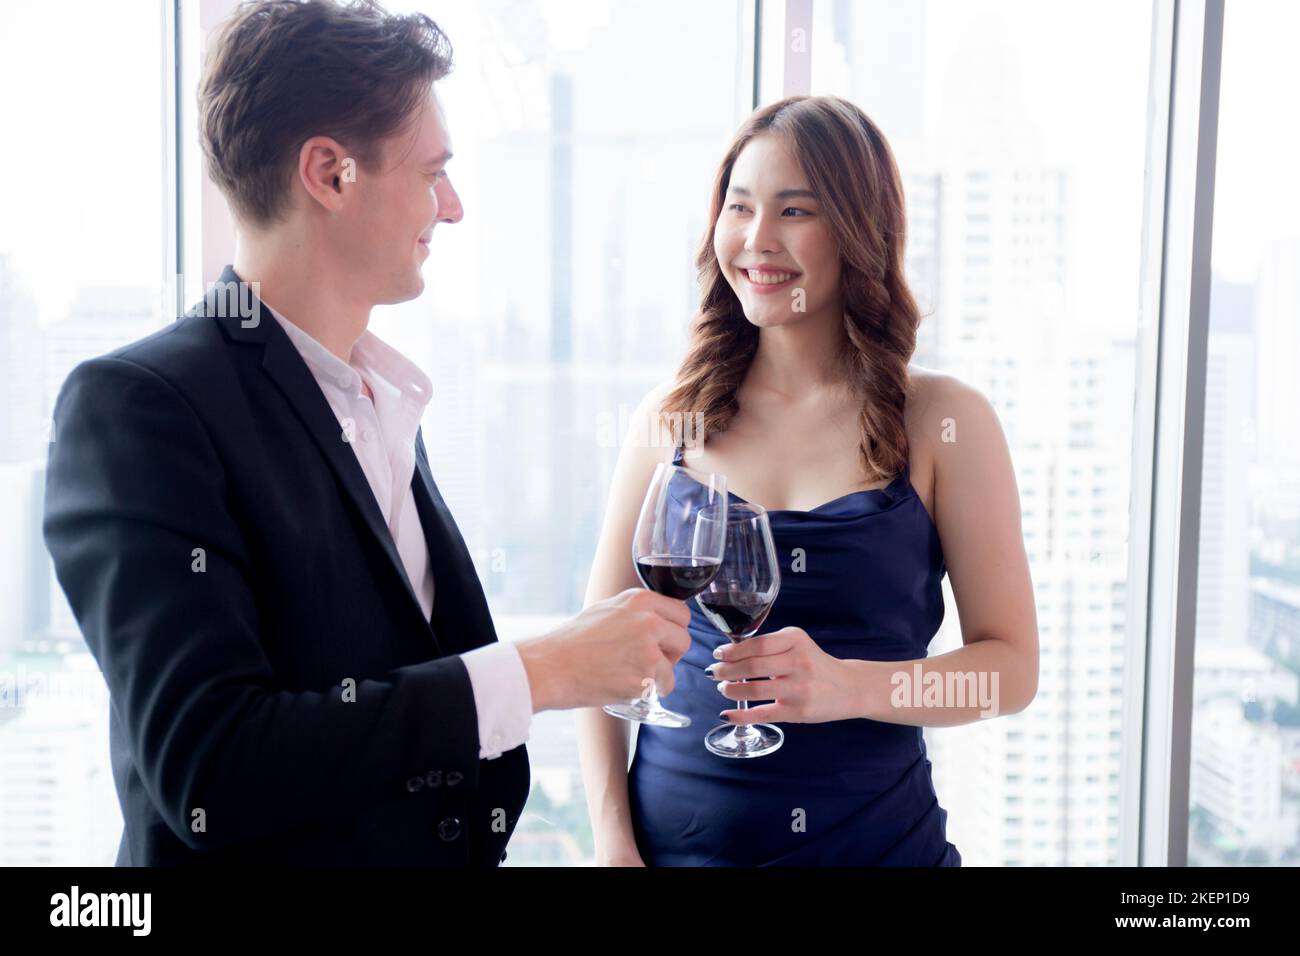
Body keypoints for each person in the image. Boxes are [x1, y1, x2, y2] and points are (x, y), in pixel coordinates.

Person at [41, 0, 690, 866]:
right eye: (431, 172)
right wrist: (546, 670)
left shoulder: (382, 399)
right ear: (330, 173)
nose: (451, 207)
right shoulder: (138, 407)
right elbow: (209, 768)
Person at [576, 95, 1040, 866]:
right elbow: (601, 649)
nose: (757, 240)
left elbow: (1011, 672)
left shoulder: (942, 420)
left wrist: (852, 688)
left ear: (861, 230)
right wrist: (611, 843)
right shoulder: (672, 419)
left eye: (795, 210)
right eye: (740, 206)